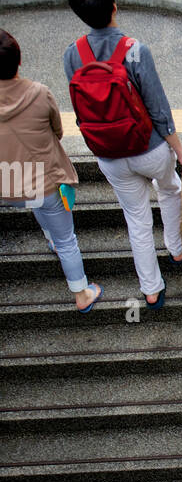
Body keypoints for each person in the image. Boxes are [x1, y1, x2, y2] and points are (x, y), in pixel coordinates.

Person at [63, 0, 182, 310]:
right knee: (170, 188)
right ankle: (176, 249)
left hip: (108, 154)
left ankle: (151, 290)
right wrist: (180, 151)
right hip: (148, 148)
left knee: (136, 217)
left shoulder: (72, 55)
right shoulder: (135, 51)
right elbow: (158, 109)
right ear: (114, 7)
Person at [0, 29, 102, 312]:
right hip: (45, 179)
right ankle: (82, 294)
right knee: (67, 240)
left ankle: (49, 238)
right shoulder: (39, 93)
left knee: (35, 200)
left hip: (8, 183)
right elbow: (57, 131)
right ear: (19, 60)